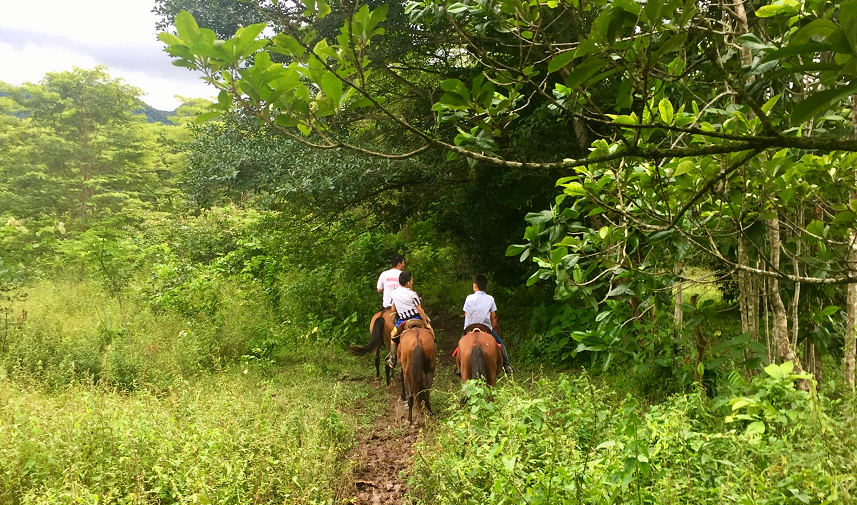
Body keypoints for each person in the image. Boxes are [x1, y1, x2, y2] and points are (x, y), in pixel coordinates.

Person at [462, 274, 512, 374]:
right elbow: (493, 316)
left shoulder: (469, 298)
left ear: (475, 286)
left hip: (469, 328)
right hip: (485, 328)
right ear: (485, 286)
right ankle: (507, 364)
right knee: (500, 343)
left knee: (461, 344)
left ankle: (459, 366)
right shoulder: (490, 299)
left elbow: (465, 313)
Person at [386, 270, 432, 367]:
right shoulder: (412, 294)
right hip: (416, 317)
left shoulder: (394, 293)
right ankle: (433, 352)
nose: (412, 282)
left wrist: (397, 310)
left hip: (403, 321)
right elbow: (420, 310)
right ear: (408, 282)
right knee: (431, 331)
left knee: (393, 334)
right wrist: (426, 323)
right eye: (411, 280)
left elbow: (393, 308)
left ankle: (392, 358)